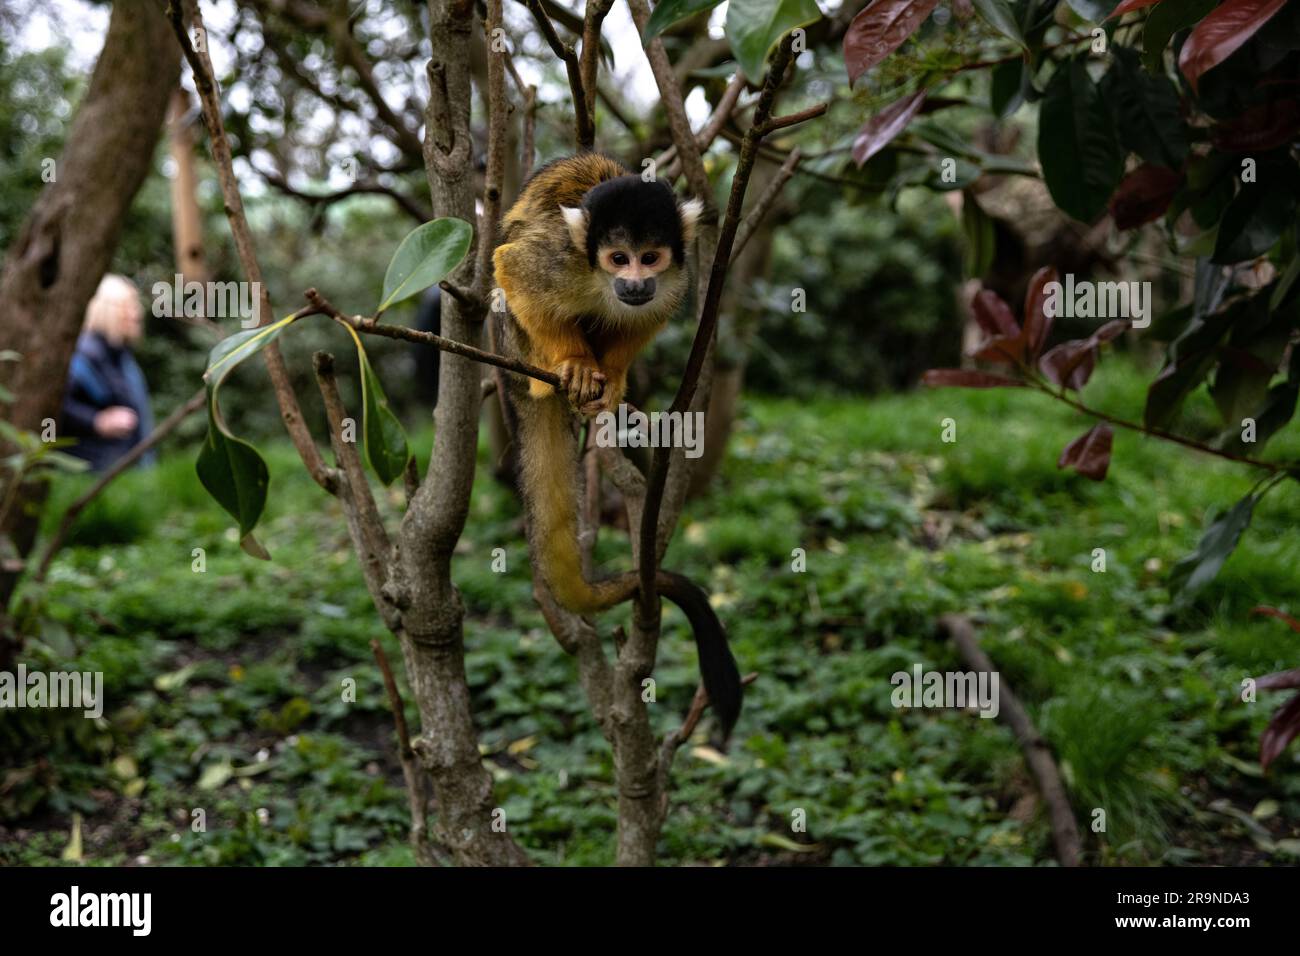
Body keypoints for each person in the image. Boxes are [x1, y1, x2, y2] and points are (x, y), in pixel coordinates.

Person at [60, 273, 155, 471]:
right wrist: (95, 421)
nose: (136, 314)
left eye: (135, 305)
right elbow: (55, 407)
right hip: (90, 472)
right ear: (105, 309)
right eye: (127, 307)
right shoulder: (85, 355)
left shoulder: (120, 355)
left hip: (125, 473)